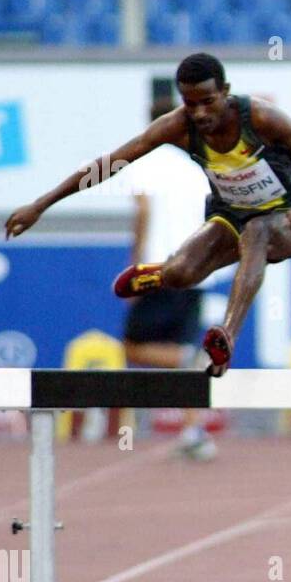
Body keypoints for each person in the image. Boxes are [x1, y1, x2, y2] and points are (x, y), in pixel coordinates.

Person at [4, 53, 291, 377]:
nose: (200, 112)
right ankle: (162, 274)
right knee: (183, 273)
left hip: (288, 218)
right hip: (230, 215)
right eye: (190, 103)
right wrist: (42, 204)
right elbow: (110, 164)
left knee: (257, 231)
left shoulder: (260, 118)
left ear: (225, 91)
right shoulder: (178, 126)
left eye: (208, 101)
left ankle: (227, 335)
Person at [118, 95, 218, 460]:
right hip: (194, 269)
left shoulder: (145, 162)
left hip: (158, 269)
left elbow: (143, 212)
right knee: (180, 350)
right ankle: (194, 430)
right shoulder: (193, 167)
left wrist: (135, 267)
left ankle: (185, 358)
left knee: (133, 346)